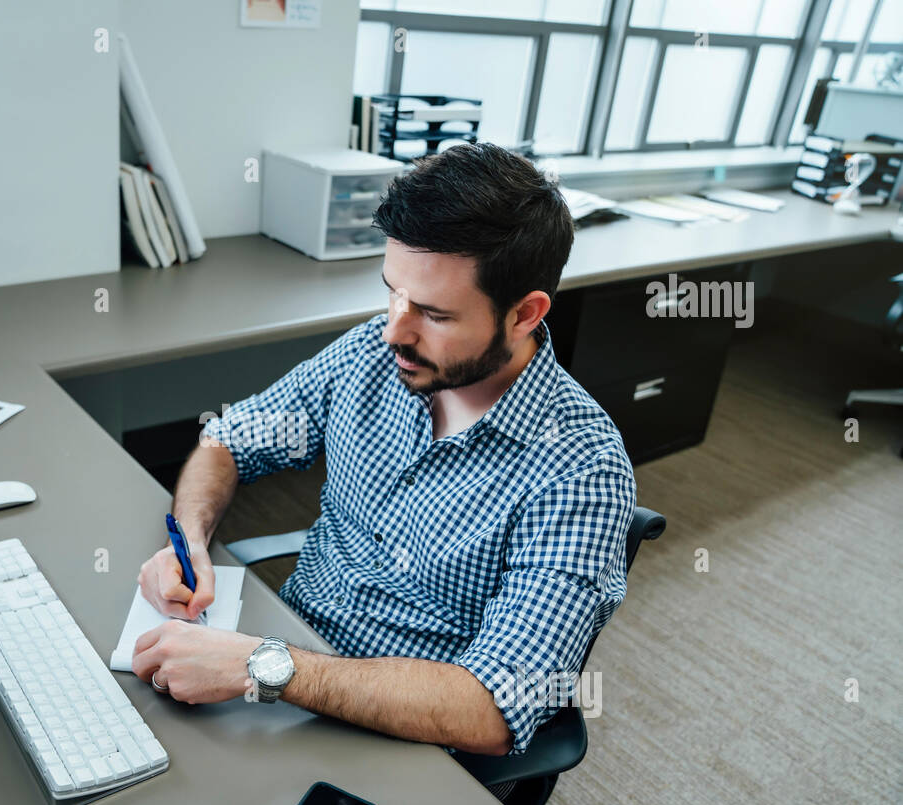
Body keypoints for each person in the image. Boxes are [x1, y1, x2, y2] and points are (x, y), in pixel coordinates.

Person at [133, 142, 636, 757]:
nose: (395, 328)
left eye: (433, 313)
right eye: (392, 292)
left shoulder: (583, 469)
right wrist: (186, 542)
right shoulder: (375, 351)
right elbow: (230, 440)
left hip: (404, 731)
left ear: (524, 314)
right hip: (281, 657)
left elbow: (496, 708)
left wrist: (265, 668)